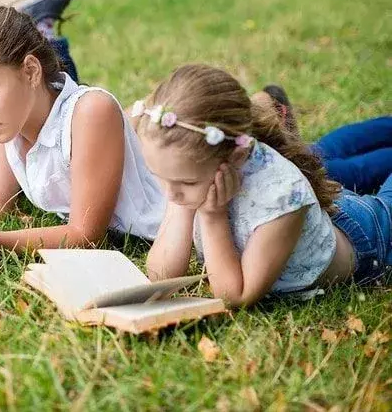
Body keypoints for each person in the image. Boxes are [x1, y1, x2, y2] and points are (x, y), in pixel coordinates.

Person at [0, 6, 166, 260]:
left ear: (31, 71)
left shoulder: (90, 112)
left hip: (164, 231)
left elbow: (86, 235)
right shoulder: (9, 123)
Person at [135, 64, 391, 306]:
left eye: (186, 182)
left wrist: (213, 217)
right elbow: (161, 276)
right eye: (160, 176)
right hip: (322, 220)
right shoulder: (184, 175)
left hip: (371, 235)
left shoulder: (281, 195)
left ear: (235, 156)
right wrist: (183, 205)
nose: (170, 193)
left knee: (358, 171)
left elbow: (235, 296)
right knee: (328, 155)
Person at [254, 87, 392, 195]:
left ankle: (291, 148)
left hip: (306, 155)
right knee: (357, 169)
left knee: (346, 140)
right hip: (294, 174)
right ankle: (289, 149)